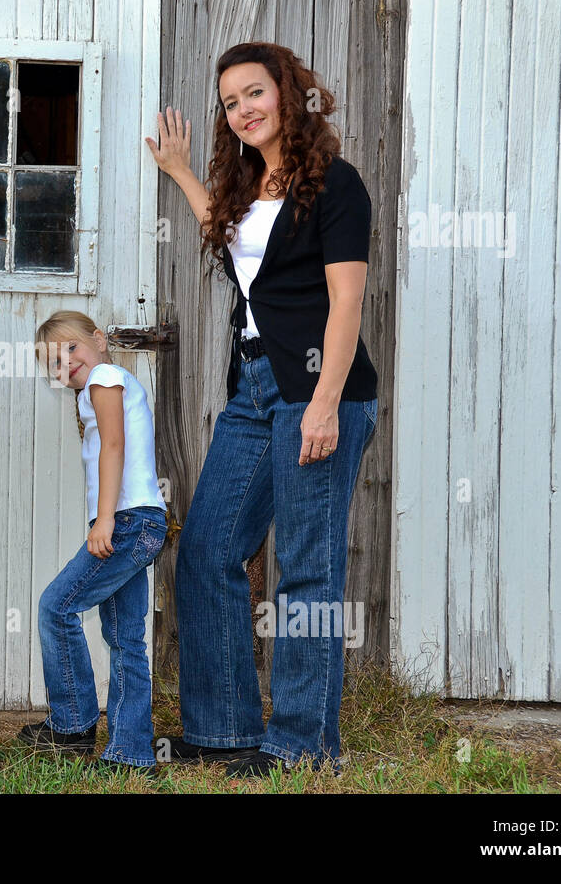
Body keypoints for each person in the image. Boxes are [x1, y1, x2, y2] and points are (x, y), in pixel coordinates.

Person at [144, 41, 379, 777]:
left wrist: (324, 404)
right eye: (230, 102)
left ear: (288, 92)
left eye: (254, 93)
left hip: (318, 388)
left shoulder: (337, 186)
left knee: (306, 568)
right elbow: (231, 234)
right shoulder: (248, 187)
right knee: (210, 548)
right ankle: (224, 730)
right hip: (251, 389)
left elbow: (347, 302)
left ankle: (304, 743)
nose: (243, 109)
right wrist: (180, 171)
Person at [18, 311, 169, 776]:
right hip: (137, 521)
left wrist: (104, 520)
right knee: (126, 639)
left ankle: (72, 725)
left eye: (70, 349)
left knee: (55, 606)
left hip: (126, 522)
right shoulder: (100, 385)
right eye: (52, 364)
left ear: (99, 340)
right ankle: (130, 750)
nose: (64, 364)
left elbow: (114, 447)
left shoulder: (105, 376)